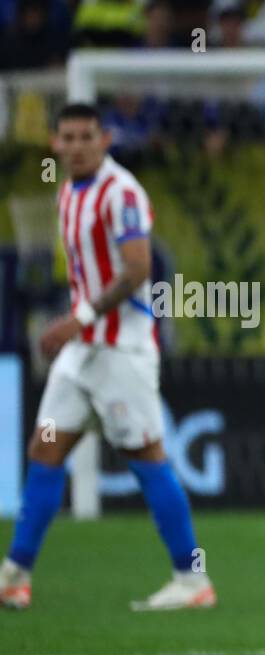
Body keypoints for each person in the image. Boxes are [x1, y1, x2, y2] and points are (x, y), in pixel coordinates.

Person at [0, 104, 214, 612]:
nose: (76, 146)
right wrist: (78, 324)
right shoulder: (68, 193)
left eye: (86, 137)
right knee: (45, 448)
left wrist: (81, 317)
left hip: (121, 353)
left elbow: (138, 268)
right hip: (81, 354)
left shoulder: (122, 194)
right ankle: (15, 574)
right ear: (55, 142)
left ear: (106, 138)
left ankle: (192, 578)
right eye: (68, 137)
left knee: (147, 458)